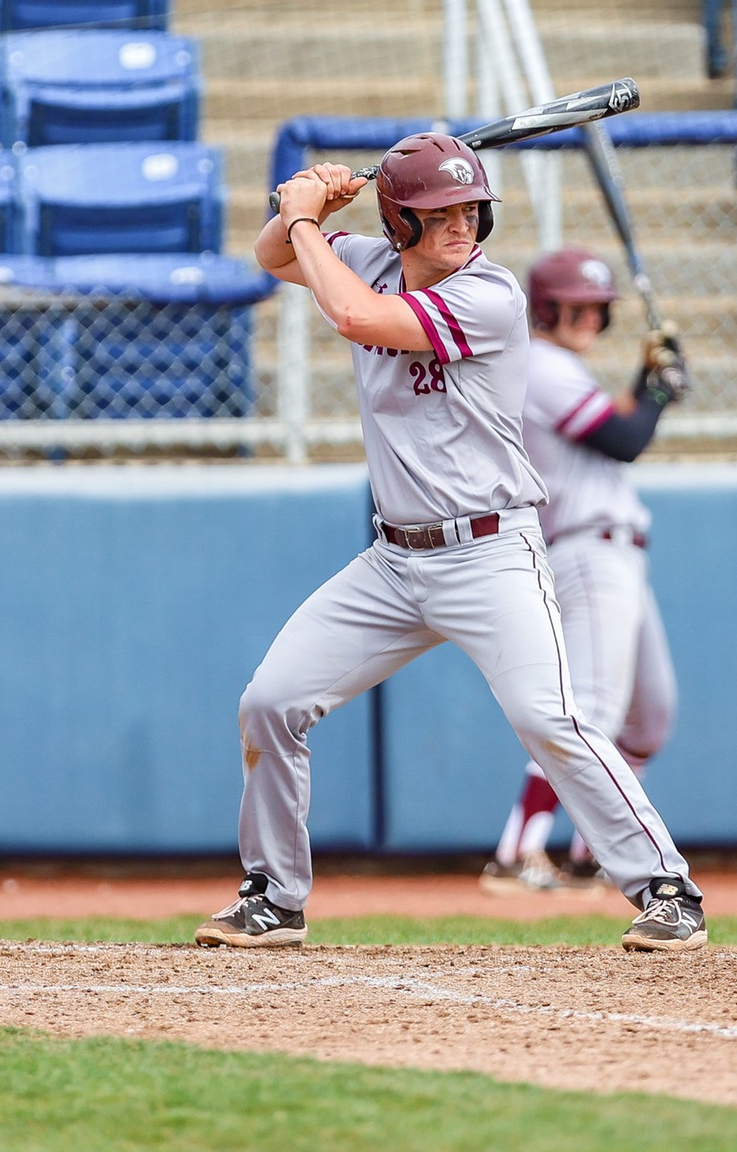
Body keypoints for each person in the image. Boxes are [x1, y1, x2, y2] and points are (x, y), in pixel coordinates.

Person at [199, 135, 707, 954]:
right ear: (398, 222)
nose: (460, 225)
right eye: (437, 214)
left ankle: (666, 888)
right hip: (393, 560)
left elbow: (353, 315)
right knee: (270, 702)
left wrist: (301, 218)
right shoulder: (368, 260)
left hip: (490, 553)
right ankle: (274, 897)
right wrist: (306, 208)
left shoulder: (490, 295)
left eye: (470, 209)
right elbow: (274, 256)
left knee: (550, 716)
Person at [482, 249, 686, 896]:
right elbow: (622, 437)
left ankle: (592, 852)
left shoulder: (561, 368)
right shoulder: (542, 365)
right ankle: (516, 851)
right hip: (587, 550)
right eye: (578, 306)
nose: (592, 318)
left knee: (649, 716)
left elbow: (614, 417)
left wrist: (647, 381)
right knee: (589, 711)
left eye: (599, 308)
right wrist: (658, 390)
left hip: (616, 551)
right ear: (546, 308)